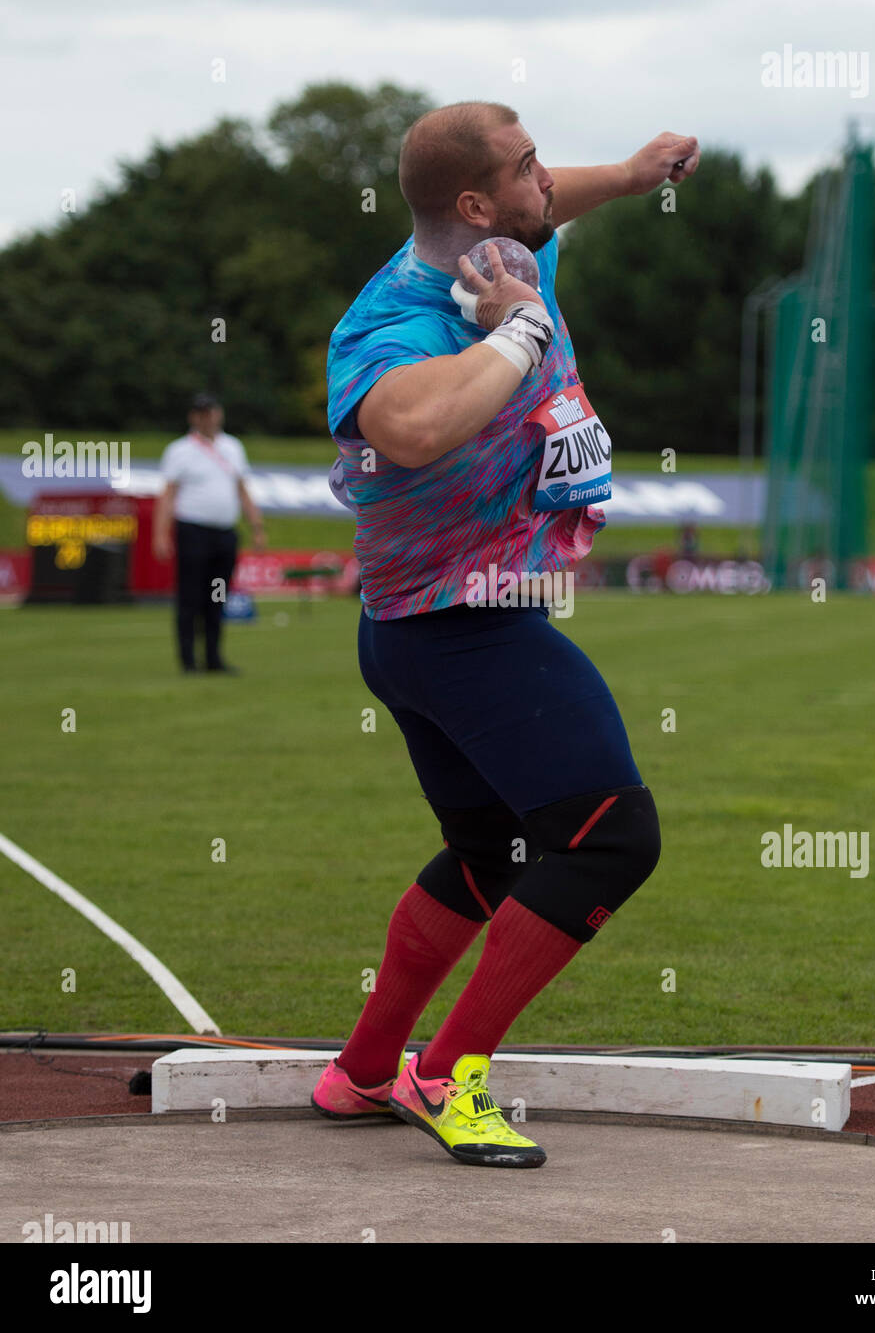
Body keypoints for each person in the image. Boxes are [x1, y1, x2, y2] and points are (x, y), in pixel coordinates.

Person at [312, 101, 699, 1167]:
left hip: (426, 624)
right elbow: (412, 425)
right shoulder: (390, 323)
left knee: (493, 850)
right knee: (612, 835)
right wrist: (519, 331)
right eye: (530, 169)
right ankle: (446, 1075)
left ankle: (359, 1073)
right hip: (455, 626)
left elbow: (550, 207)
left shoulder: (505, 246)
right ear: (474, 201)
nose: (547, 184)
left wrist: (624, 176)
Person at [153, 394, 265, 673]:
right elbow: (167, 495)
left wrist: (257, 527)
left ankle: (213, 657)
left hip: (224, 533)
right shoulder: (179, 450)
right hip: (193, 529)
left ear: (219, 414)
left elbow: (242, 489)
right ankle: (188, 658)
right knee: (190, 595)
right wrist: (160, 534)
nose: (206, 418)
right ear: (193, 417)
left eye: (210, 412)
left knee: (218, 596)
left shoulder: (233, 447)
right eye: (200, 413)